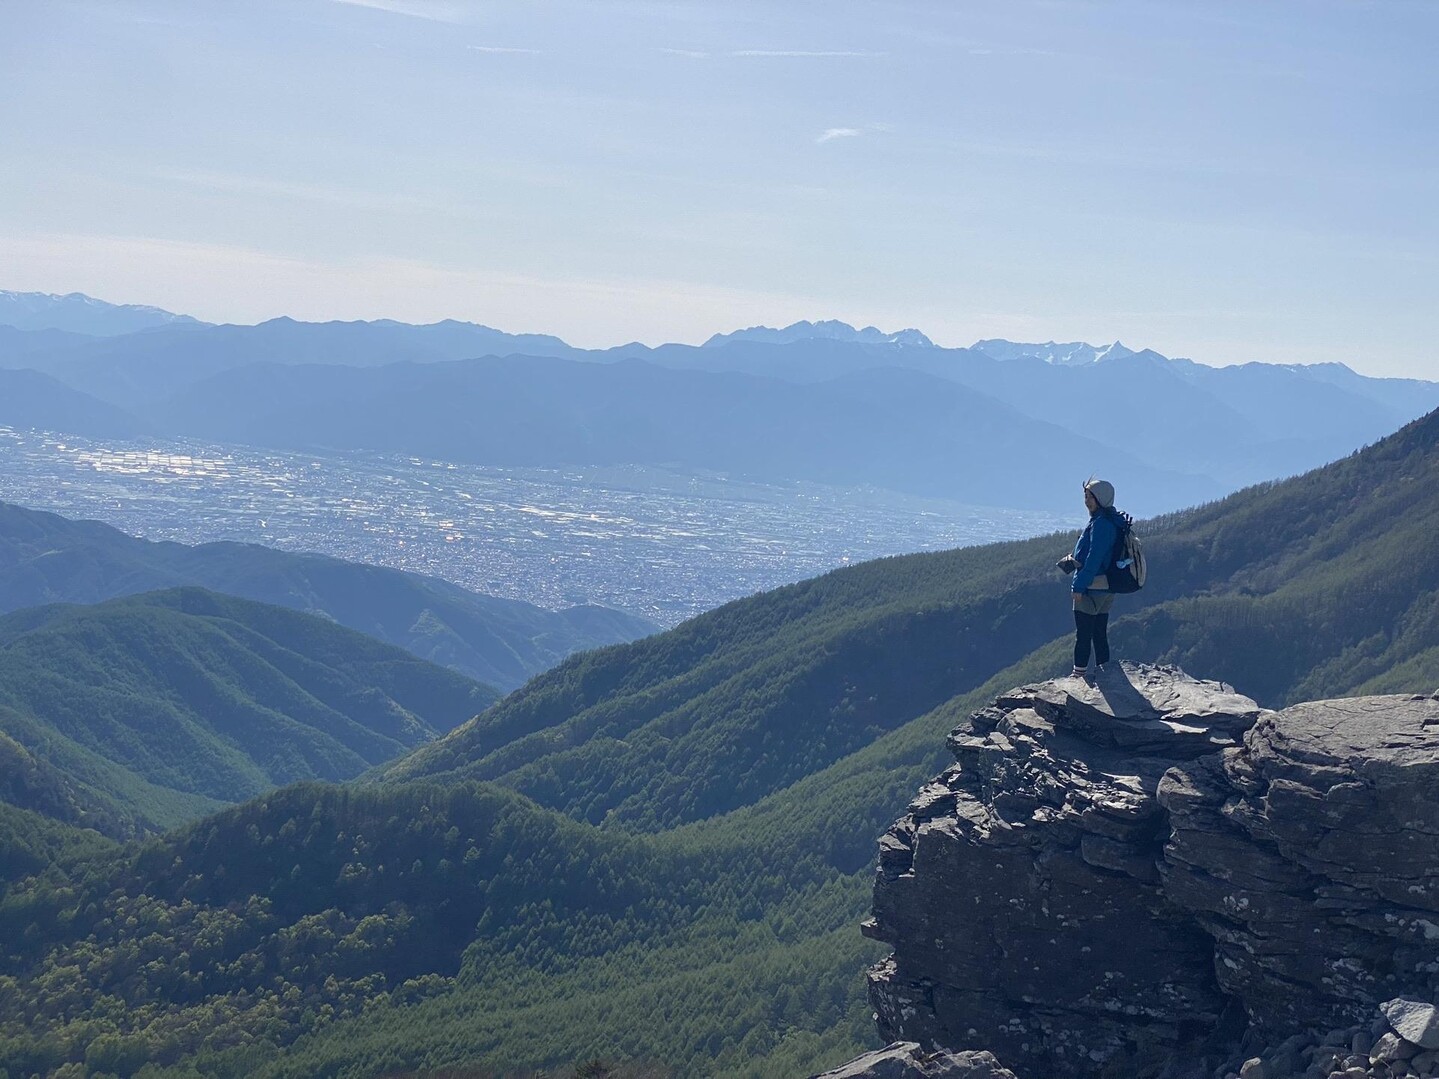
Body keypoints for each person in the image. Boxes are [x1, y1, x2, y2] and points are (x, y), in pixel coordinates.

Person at [1056, 478, 1119, 680]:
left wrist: (1078, 585)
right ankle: (1105, 675)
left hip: (1092, 587)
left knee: (1084, 634)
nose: (1086, 501)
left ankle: (1079, 676)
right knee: (1099, 633)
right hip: (1106, 587)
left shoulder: (1100, 524)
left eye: (1090, 497)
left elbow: (1094, 558)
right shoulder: (1110, 520)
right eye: (1085, 496)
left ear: (1100, 498)